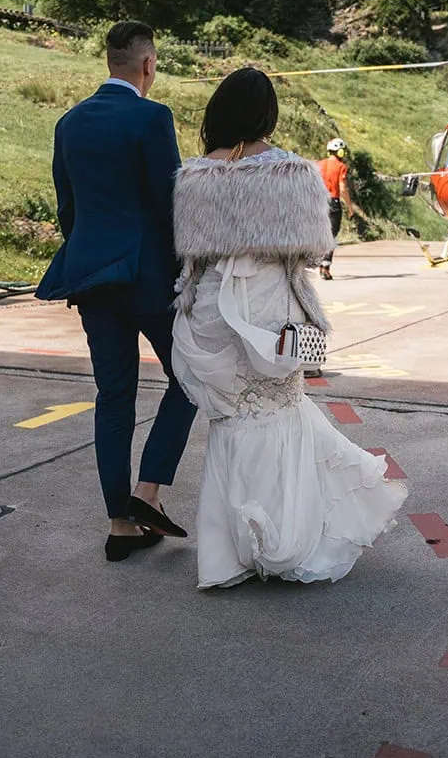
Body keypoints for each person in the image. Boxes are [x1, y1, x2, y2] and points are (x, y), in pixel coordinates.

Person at [171, 68, 408, 589]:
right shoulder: (290, 173)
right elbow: (316, 249)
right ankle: (285, 537)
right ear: (267, 115)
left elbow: (189, 254)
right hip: (270, 309)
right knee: (279, 410)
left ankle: (233, 551)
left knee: (232, 419)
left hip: (212, 312)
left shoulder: (193, 176)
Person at [35, 21, 198, 563]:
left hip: (93, 277)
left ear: (109, 63)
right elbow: (171, 201)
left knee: (114, 397)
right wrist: (187, 270)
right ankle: (148, 492)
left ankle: (119, 524)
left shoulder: (69, 122)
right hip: (148, 277)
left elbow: (67, 208)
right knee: (190, 378)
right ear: (149, 65)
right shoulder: (152, 117)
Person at [315, 138, 356, 280]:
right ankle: (325, 267)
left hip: (319, 202)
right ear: (340, 151)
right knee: (331, 236)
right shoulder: (341, 167)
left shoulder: (318, 165)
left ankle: (320, 263)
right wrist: (350, 206)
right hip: (333, 202)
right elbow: (343, 188)